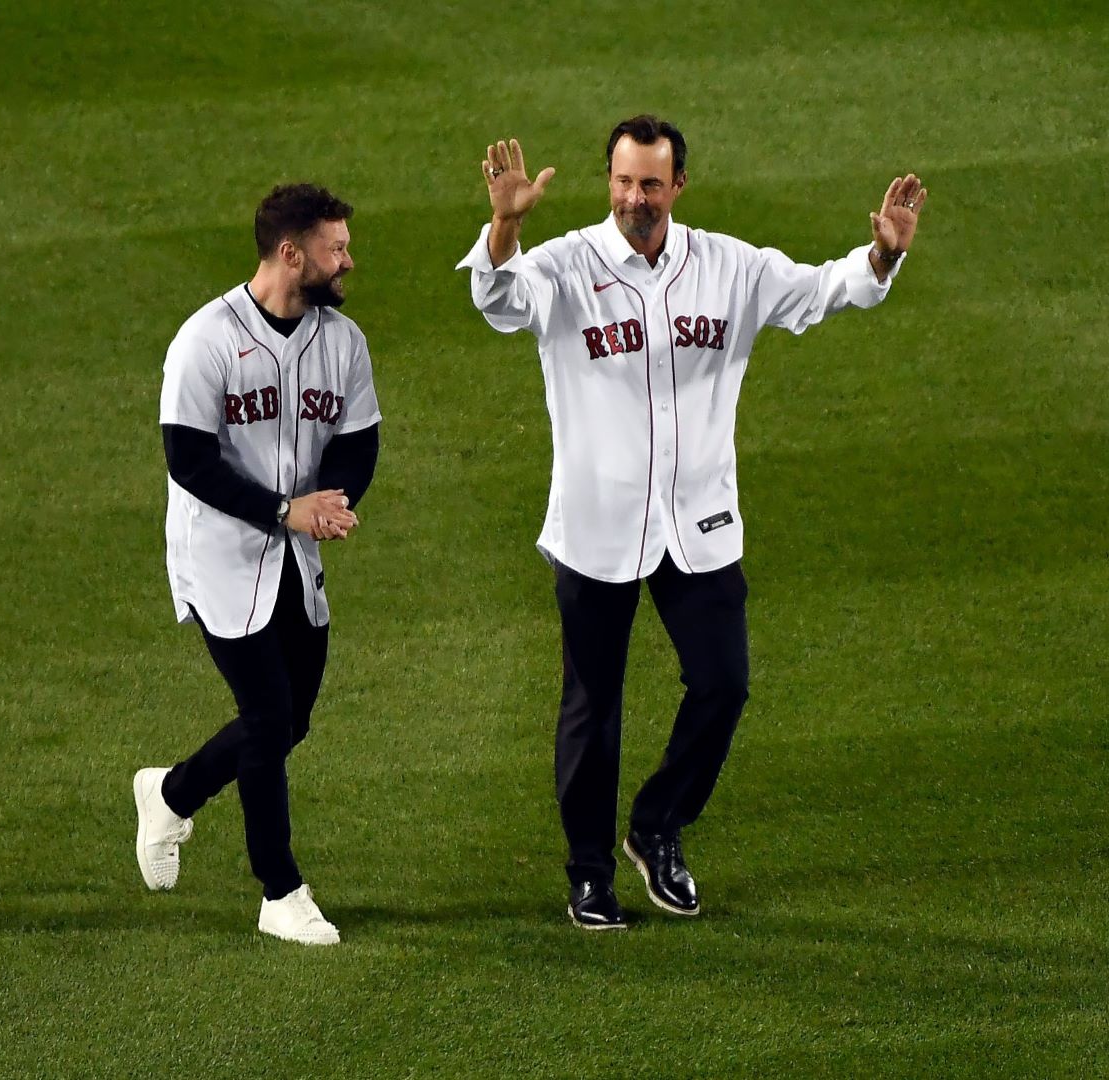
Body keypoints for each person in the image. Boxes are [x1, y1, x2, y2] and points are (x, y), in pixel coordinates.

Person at [455, 116, 926, 930]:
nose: (635, 199)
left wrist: (884, 253)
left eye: (650, 185)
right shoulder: (564, 266)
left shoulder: (727, 266)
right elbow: (499, 298)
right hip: (599, 526)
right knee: (593, 706)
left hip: (698, 523)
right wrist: (506, 224)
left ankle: (657, 826)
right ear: (610, 181)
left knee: (724, 684)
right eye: (623, 182)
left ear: (679, 188)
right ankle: (589, 873)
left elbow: (819, 289)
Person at [134, 183, 381, 946]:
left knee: (289, 721)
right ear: (290, 253)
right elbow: (188, 458)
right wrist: (284, 509)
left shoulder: (342, 341)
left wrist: (331, 503)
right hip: (219, 554)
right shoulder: (206, 339)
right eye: (335, 247)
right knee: (270, 717)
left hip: (296, 552)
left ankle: (171, 792)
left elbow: (358, 438)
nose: (347, 260)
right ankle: (279, 889)